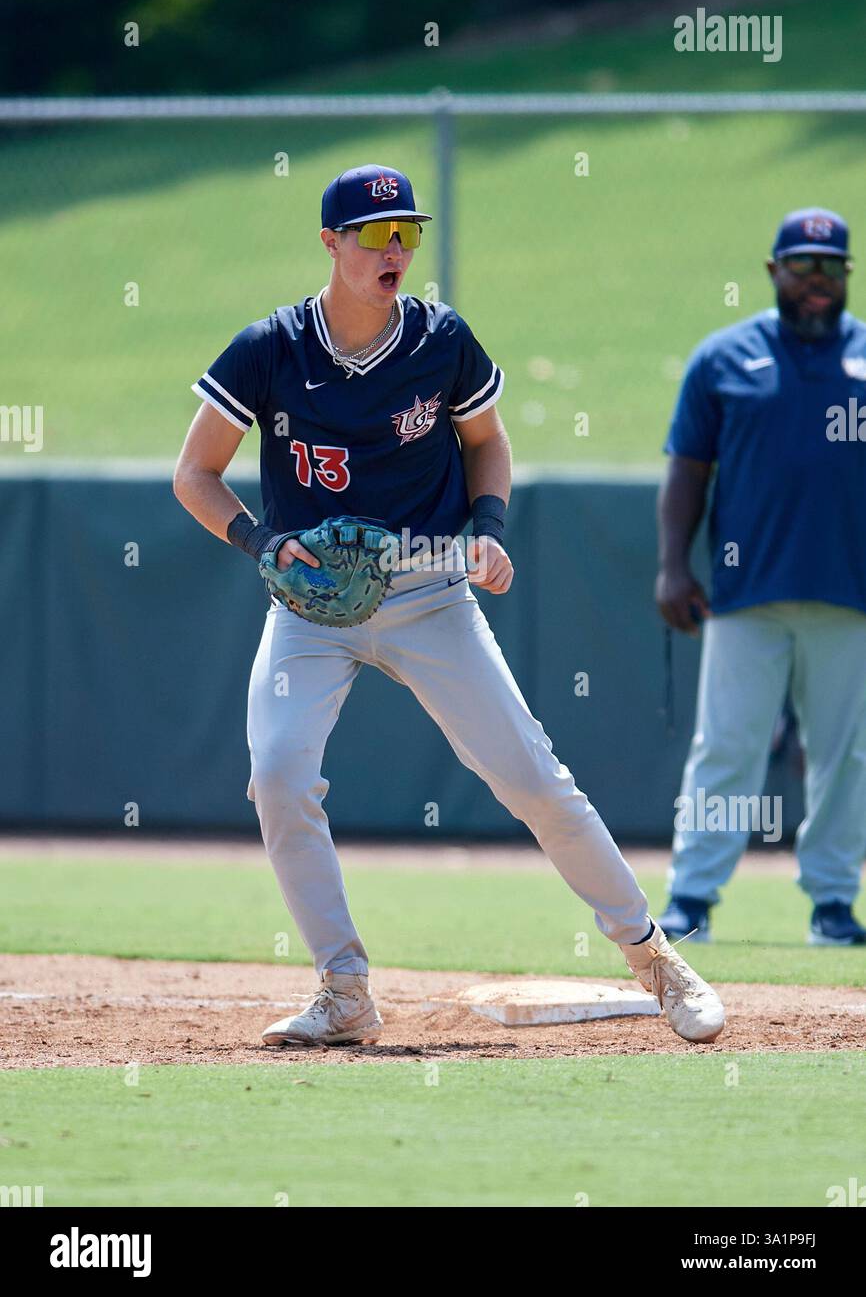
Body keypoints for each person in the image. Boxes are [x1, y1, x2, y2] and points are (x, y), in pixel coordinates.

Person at [174, 163, 724, 1046]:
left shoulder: (440, 340)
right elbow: (195, 474)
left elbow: (487, 441)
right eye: (376, 233)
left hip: (430, 585)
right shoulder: (270, 348)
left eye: (409, 233)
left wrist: (491, 528)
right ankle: (344, 992)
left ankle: (655, 956)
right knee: (277, 777)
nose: (396, 249)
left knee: (533, 780)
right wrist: (263, 544)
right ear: (331, 242)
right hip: (311, 602)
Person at [656, 207, 866, 947]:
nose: (817, 281)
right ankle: (692, 896)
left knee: (848, 755)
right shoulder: (723, 358)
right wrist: (673, 565)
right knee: (727, 745)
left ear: (846, 275)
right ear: (774, 269)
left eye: (831, 268)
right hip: (745, 594)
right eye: (802, 266)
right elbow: (688, 469)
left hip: (851, 594)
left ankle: (834, 903)